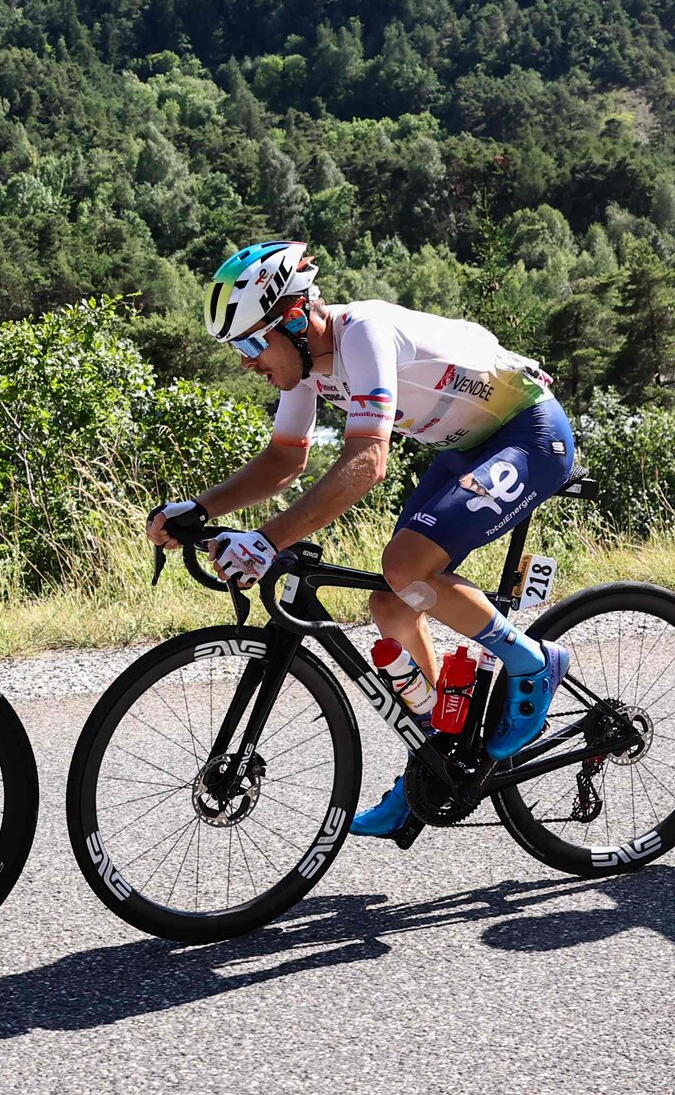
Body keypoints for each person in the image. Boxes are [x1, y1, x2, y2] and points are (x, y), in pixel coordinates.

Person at [148, 240, 579, 845]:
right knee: (391, 606)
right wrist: (200, 509)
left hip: (528, 432)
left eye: (250, 345)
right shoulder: (305, 368)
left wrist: (267, 540)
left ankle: (533, 662)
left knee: (405, 566)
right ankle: (439, 757)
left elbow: (369, 461)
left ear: (293, 319)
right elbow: (284, 461)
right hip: (464, 449)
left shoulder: (364, 334)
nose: (247, 363)